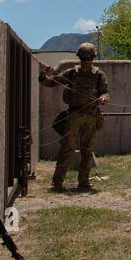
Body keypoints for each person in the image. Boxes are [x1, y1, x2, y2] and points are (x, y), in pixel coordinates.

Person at [38, 42, 109, 191]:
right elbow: (51, 83)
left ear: (93, 59)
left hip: (91, 116)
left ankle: (83, 182)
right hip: (74, 115)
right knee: (66, 148)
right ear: (80, 58)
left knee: (87, 150)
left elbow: (105, 92)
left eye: (89, 59)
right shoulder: (72, 73)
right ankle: (57, 182)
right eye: (83, 59)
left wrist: (103, 98)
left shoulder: (98, 75)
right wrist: (43, 76)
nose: (86, 62)